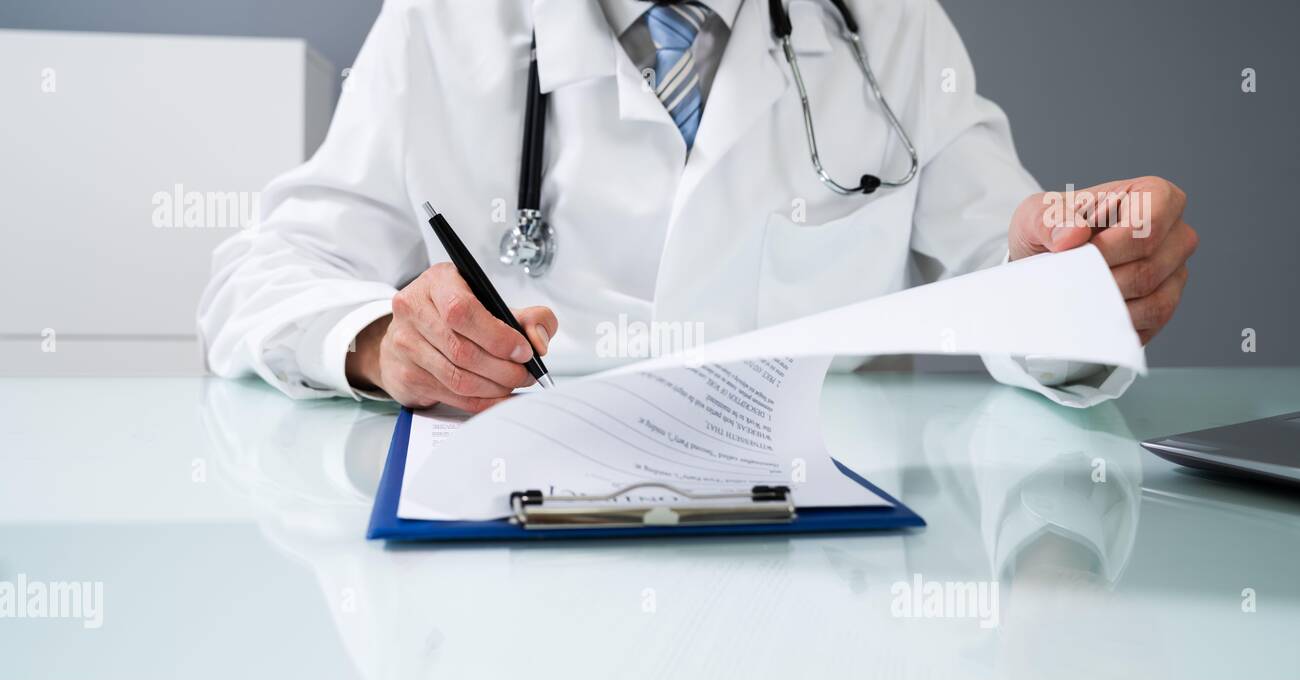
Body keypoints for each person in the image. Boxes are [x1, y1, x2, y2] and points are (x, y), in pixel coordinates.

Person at [198, 0, 1196, 411]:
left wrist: (1073, 282)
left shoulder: (883, 23)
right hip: (511, 556)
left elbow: (1010, 264)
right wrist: (380, 340)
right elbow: (264, 274)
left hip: (817, 566)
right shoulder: (449, 20)